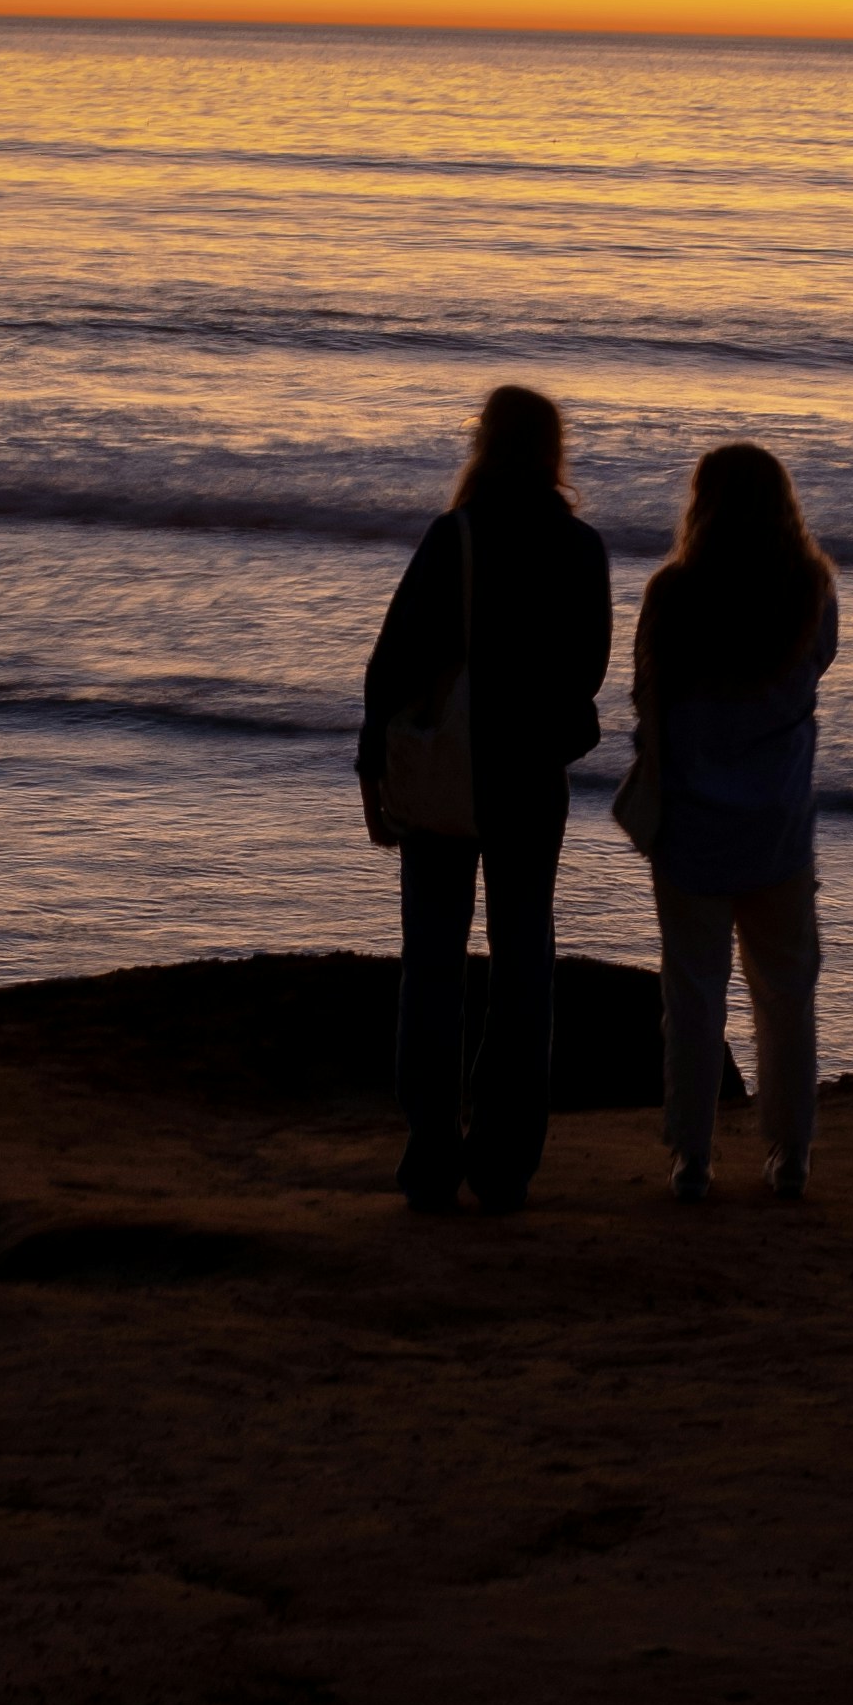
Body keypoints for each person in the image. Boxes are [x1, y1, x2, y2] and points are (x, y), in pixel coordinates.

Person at [358, 384, 613, 1212]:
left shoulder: (454, 535)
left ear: (484, 442)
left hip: (448, 769)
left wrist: (371, 769)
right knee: (524, 962)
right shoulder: (581, 546)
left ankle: (431, 1153)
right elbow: (587, 672)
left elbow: (391, 666)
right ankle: (504, 1161)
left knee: (433, 961)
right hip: (530, 777)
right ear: (552, 450)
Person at [629, 442, 837, 1203]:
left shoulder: (674, 591)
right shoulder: (811, 589)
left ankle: (692, 1156)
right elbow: (818, 665)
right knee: (786, 991)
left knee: (692, 992)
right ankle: (791, 1150)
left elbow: (644, 691)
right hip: (778, 822)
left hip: (691, 821)